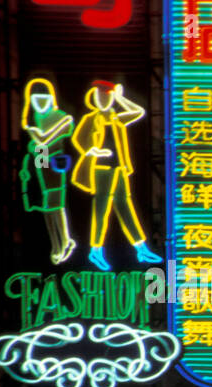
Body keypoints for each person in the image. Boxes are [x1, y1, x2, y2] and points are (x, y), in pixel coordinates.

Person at [70, 80, 160, 270]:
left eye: (107, 96)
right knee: (101, 209)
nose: (103, 100)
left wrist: (121, 97)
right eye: (100, 96)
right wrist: (94, 150)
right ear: (94, 98)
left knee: (125, 206)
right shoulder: (91, 119)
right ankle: (96, 250)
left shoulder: (117, 119)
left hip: (119, 169)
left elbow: (138, 112)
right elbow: (78, 139)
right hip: (101, 170)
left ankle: (141, 248)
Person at [19, 78, 77, 264]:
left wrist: (40, 139)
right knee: (48, 207)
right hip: (43, 160)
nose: (41, 104)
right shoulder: (36, 119)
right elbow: (41, 143)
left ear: (51, 98)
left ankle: (65, 242)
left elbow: (52, 136)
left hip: (56, 161)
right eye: (37, 100)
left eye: (44, 99)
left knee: (55, 203)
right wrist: (36, 144)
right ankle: (57, 245)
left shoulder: (59, 115)